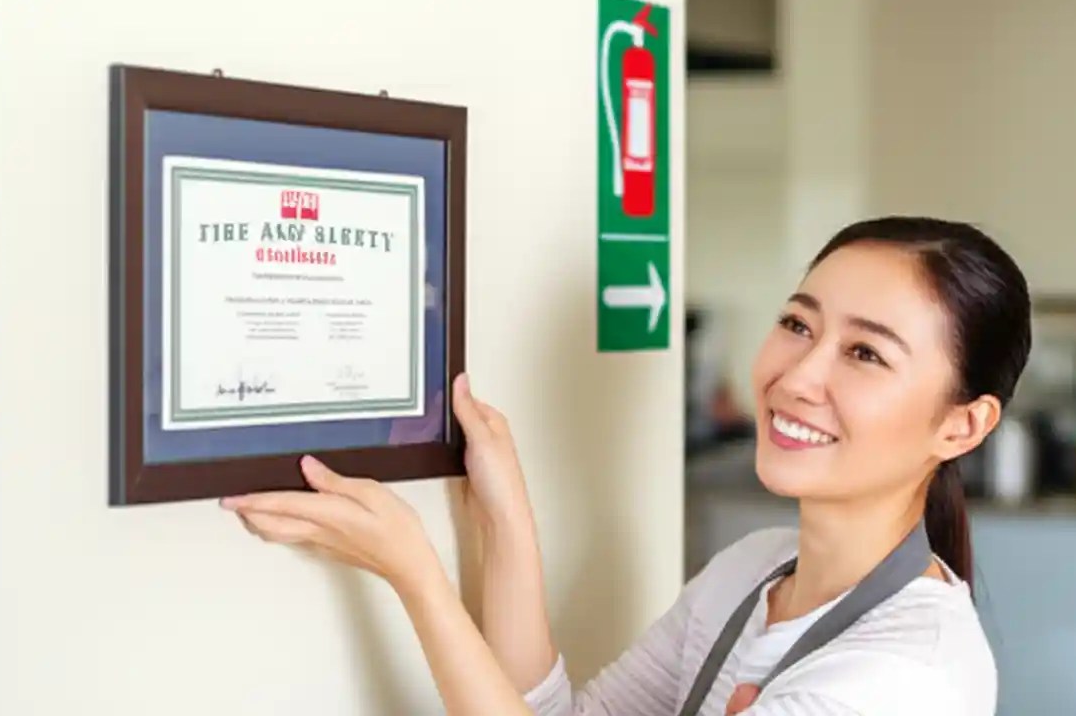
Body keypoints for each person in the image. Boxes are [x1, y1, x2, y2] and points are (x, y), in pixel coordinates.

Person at [221, 216, 1031, 715]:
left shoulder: (900, 681)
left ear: (962, 426)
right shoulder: (749, 573)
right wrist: (507, 522)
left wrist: (416, 577)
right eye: (797, 323)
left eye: (864, 352)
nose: (797, 376)